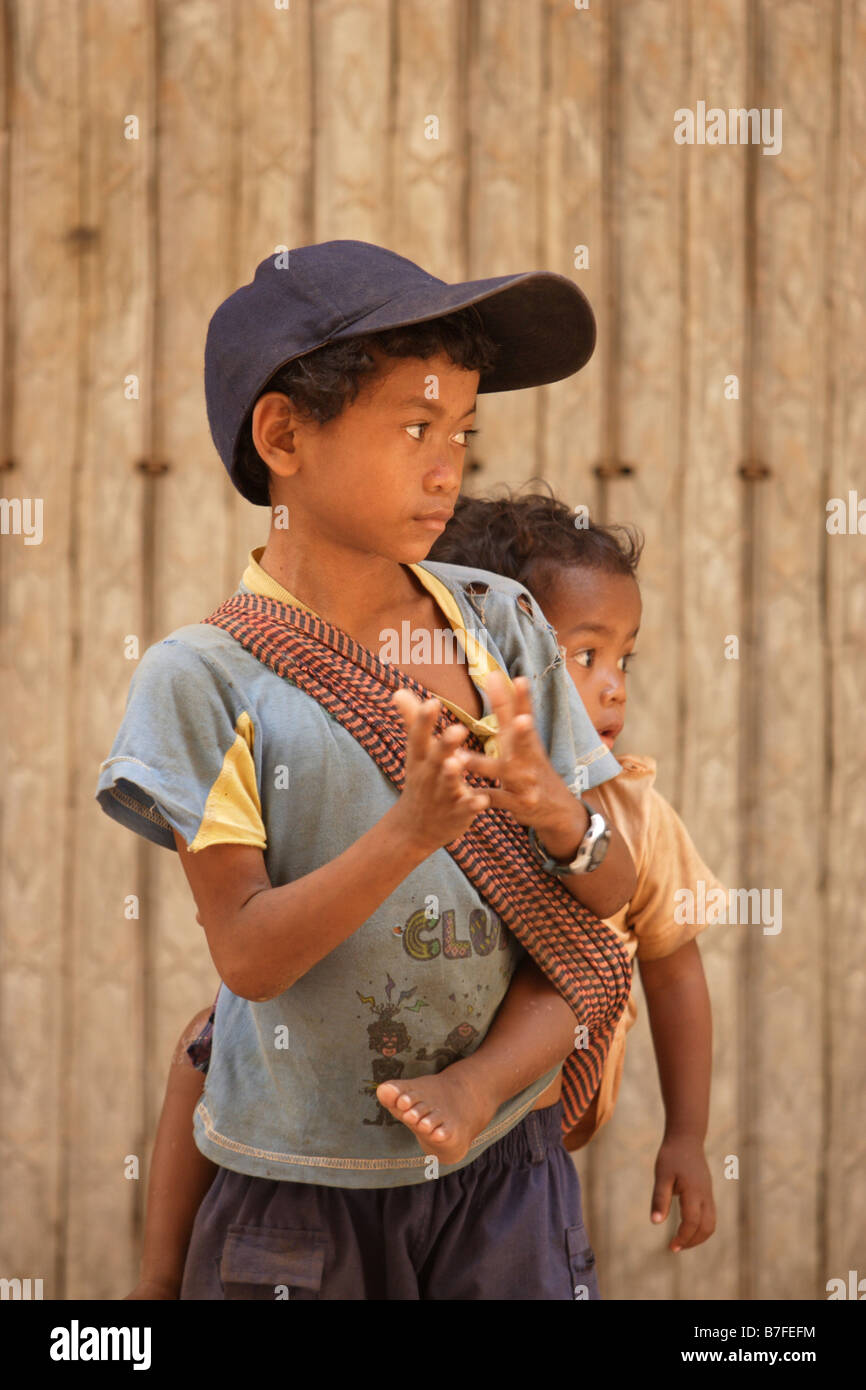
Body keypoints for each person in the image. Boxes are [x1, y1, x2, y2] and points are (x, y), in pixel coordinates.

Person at [98, 239, 635, 1302]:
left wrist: (560, 815)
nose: (449, 467)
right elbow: (248, 956)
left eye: (462, 433)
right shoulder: (203, 678)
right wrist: (408, 833)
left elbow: (611, 894)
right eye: (414, 427)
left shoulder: (501, 621)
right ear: (283, 433)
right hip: (297, 1189)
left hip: (505, 1170)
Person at [428, 488, 720, 1254]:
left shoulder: (633, 813)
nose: (616, 682)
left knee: (572, 969)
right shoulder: (432, 785)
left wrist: (687, 1134)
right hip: (381, 1104)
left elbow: (675, 968)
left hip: (526, 1134)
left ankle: (479, 1083)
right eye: (586, 656)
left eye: (625, 657)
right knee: (206, 1044)